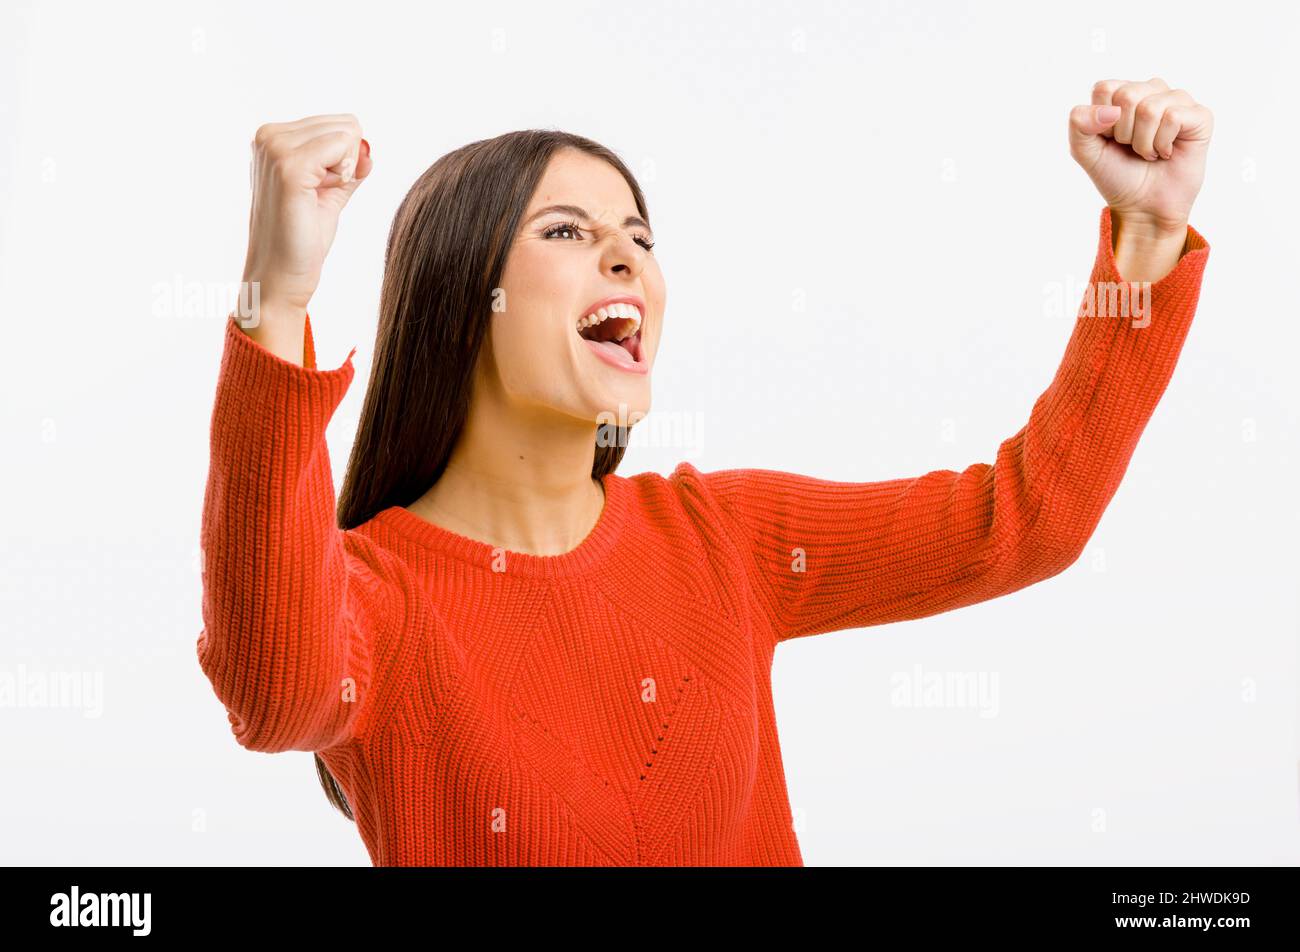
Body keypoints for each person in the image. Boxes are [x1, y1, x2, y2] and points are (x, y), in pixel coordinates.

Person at [197, 78, 1212, 865]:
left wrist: (1149, 233)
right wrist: (275, 298)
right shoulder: (377, 599)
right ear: (462, 295)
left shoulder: (721, 537)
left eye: (639, 237)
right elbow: (275, 691)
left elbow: (1026, 518)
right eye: (567, 232)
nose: (628, 257)